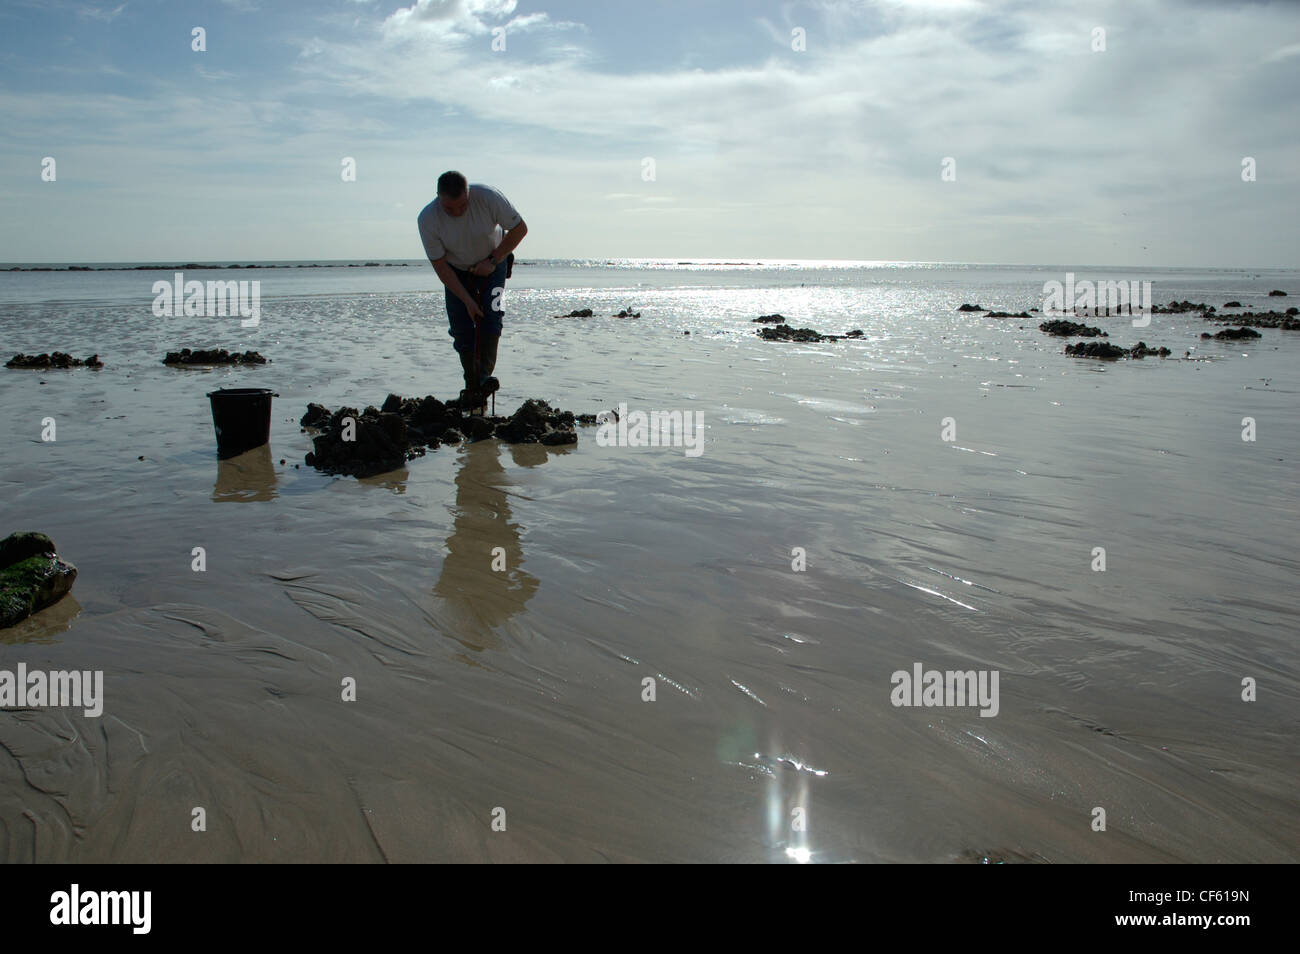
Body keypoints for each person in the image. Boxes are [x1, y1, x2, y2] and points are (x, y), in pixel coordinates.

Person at [417, 171, 529, 413]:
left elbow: (520, 228)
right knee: (461, 327)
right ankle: (474, 387)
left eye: (463, 205)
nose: (457, 213)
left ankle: (482, 381)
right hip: (456, 271)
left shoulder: (489, 197)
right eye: (450, 208)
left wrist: (493, 259)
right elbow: (440, 267)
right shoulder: (427, 219)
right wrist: (466, 300)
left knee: (492, 317)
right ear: (438, 198)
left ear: (469, 194)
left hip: (495, 263)